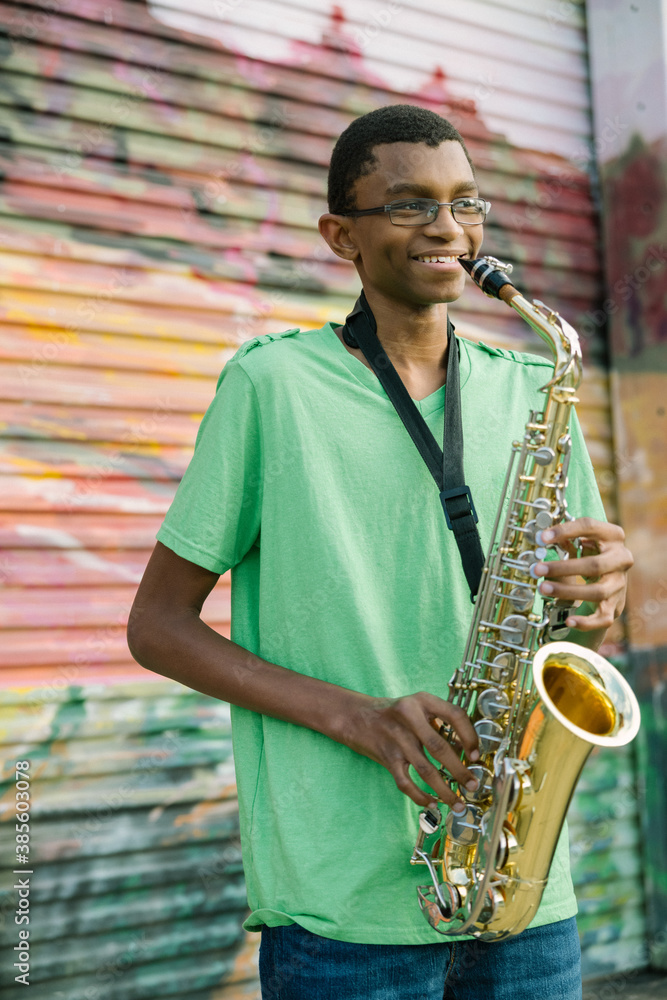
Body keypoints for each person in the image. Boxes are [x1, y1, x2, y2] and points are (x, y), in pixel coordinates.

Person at [127, 104, 633, 999]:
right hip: (344, 907)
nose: (448, 228)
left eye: (464, 203)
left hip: (524, 895)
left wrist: (599, 598)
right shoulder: (270, 385)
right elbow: (159, 628)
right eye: (408, 206)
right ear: (340, 236)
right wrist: (354, 715)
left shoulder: (532, 384)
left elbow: (572, 632)